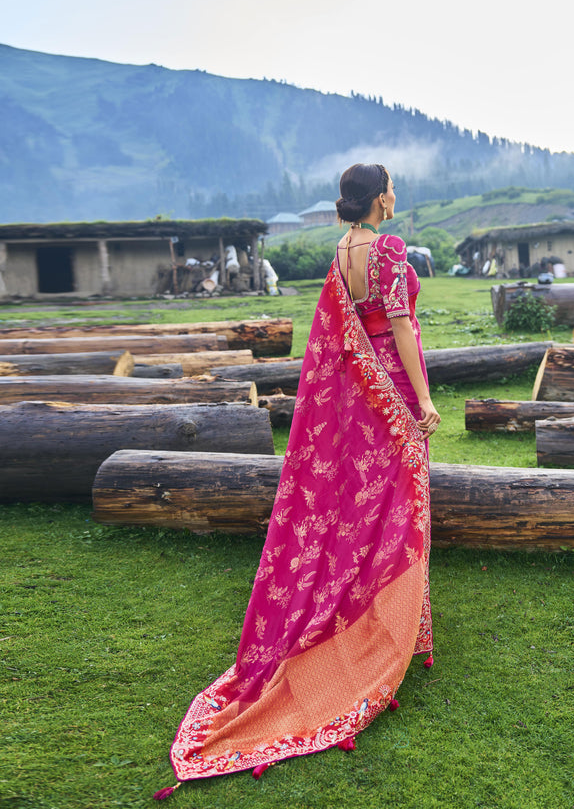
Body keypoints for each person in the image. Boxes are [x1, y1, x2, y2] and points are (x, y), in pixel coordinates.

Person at [155, 163, 439, 800]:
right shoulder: (387, 247)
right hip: (389, 389)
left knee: (359, 510)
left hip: (357, 397)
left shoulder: (342, 249)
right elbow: (396, 324)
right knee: (391, 508)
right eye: (392, 187)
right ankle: (372, 636)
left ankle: (357, 617)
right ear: (379, 197)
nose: (396, 196)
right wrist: (420, 402)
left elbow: (346, 334)